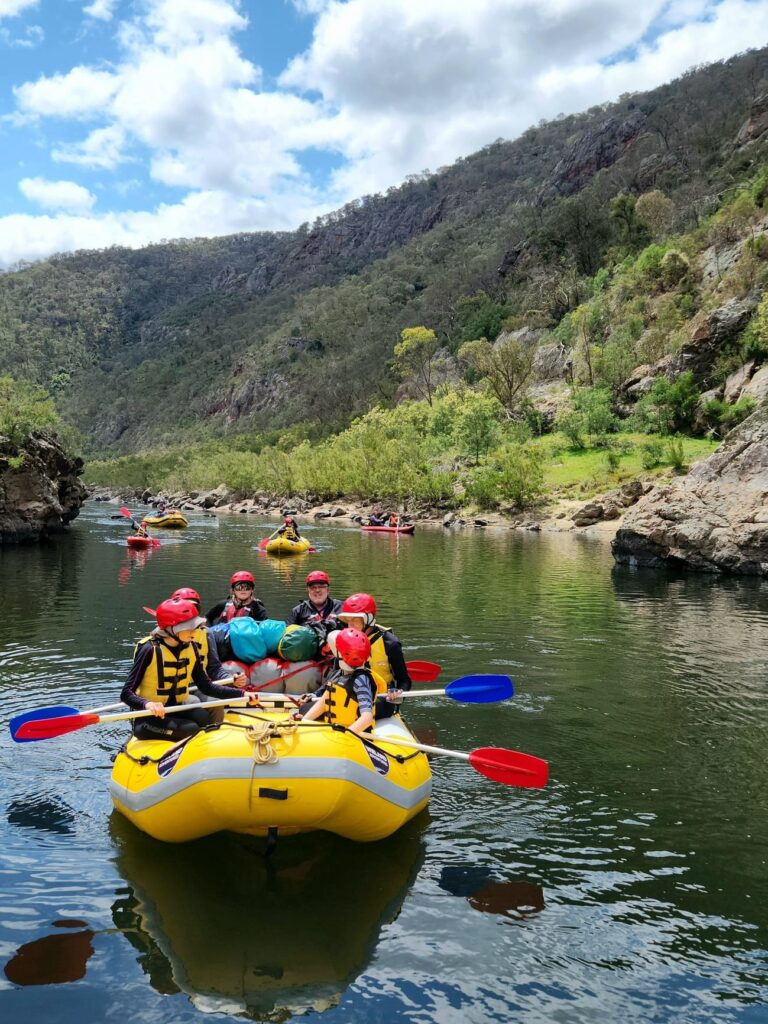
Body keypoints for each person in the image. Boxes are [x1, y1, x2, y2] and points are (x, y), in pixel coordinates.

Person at [121, 597, 259, 741]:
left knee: (204, 718)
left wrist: (243, 694)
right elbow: (126, 693)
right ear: (172, 628)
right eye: (189, 628)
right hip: (149, 718)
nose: (194, 632)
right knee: (191, 729)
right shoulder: (149, 650)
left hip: (176, 709)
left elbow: (206, 686)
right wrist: (147, 704)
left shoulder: (190, 647)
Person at [337, 592, 411, 719]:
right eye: (348, 621)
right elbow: (335, 673)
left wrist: (398, 692)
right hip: (351, 692)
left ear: (369, 620)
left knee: (358, 709)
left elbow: (404, 680)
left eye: (355, 620)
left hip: (380, 697)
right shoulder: (343, 640)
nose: (350, 626)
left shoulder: (390, 643)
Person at [300, 628, 376, 735]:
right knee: (303, 710)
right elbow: (323, 703)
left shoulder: (360, 680)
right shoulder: (339, 675)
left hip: (352, 734)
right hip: (334, 730)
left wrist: (347, 734)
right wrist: (304, 722)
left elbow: (367, 718)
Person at [171, 587, 246, 686]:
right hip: (170, 691)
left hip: (197, 686)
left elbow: (214, 669)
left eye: (193, 608)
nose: (188, 612)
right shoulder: (163, 636)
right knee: (193, 700)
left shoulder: (206, 633)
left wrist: (231, 679)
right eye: (183, 608)